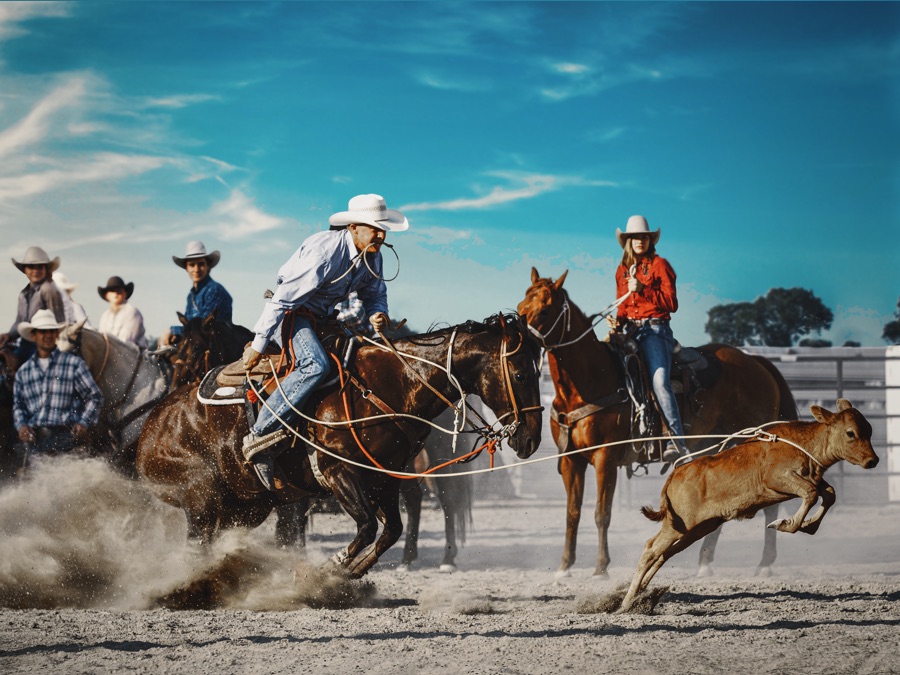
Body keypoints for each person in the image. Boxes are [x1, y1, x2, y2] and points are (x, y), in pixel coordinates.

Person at [242, 193, 409, 490]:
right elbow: (282, 301)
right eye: (375, 228)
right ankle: (259, 435)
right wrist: (258, 344)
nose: (381, 235)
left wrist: (378, 314)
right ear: (354, 227)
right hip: (295, 315)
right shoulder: (325, 252)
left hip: (326, 320)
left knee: (362, 362)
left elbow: (375, 294)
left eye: (383, 228)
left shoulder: (374, 254)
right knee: (315, 365)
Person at [609, 215, 688, 463]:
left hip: (655, 331)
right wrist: (617, 322)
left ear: (650, 240)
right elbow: (622, 308)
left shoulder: (660, 265)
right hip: (630, 331)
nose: (639, 241)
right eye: (634, 237)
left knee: (660, 381)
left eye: (644, 236)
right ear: (627, 242)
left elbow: (672, 303)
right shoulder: (621, 271)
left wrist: (644, 290)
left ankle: (677, 440)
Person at [12, 309, 103, 458]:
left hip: (67, 437)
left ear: (56, 334)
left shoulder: (74, 365)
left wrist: (83, 423)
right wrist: (22, 426)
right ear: (33, 336)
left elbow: (95, 396)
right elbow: (18, 405)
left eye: (51, 331)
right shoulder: (24, 372)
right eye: (42, 331)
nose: (47, 335)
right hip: (36, 439)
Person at [158, 241, 233, 346]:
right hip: (200, 344)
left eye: (201, 264)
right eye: (192, 265)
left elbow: (201, 327)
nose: (196, 269)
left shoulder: (215, 290)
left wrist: (172, 330)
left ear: (208, 266)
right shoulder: (191, 296)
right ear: (186, 268)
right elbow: (189, 326)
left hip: (218, 348)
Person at [0, 247, 66, 362]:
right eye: (31, 267)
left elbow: (58, 320)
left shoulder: (48, 290)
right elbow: (20, 322)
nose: (36, 271)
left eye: (40, 267)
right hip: (26, 344)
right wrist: (9, 335)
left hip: (43, 346)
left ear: (46, 269)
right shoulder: (23, 294)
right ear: (25, 270)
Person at [97, 276, 147, 349]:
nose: (116, 293)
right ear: (106, 295)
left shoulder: (132, 312)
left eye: (119, 290)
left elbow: (126, 342)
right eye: (112, 290)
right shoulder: (105, 316)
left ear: (125, 294)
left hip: (132, 356)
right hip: (110, 354)